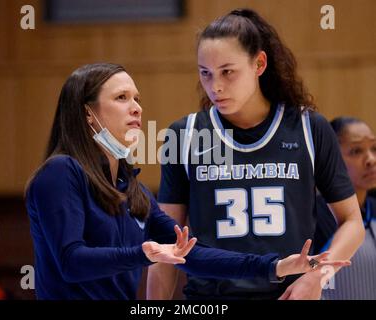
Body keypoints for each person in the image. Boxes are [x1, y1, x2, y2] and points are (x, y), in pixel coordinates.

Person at [24, 63, 348, 300]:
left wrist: (275, 266)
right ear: (86, 114)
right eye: (122, 98)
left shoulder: (130, 188)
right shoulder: (60, 173)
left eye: (137, 98)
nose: (137, 108)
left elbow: (191, 254)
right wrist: (143, 253)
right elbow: (71, 263)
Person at [148, 8, 365, 300]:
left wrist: (318, 275)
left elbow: (352, 222)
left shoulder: (308, 128)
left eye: (227, 72)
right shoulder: (184, 136)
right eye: (206, 74)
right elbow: (167, 245)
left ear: (259, 64)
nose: (216, 86)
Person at [314, 117, 376, 299]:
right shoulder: (314, 217)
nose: (370, 160)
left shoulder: (373, 207)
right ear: (330, 159)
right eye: (356, 151)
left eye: (374, 148)